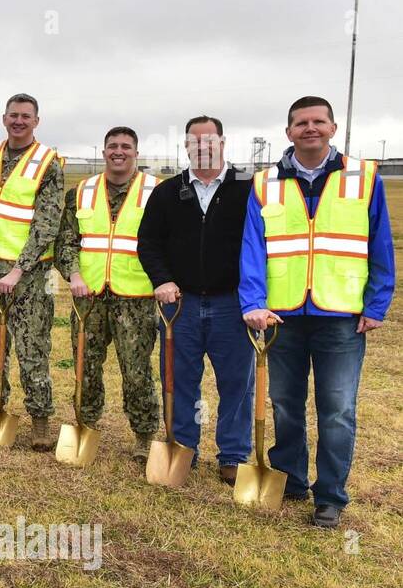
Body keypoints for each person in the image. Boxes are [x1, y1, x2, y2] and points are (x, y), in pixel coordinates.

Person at [240, 96, 395, 527]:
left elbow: (379, 244)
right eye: (300, 123)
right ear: (288, 132)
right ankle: (290, 478)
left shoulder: (363, 178)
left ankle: (329, 496)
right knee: (286, 403)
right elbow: (253, 249)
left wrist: (377, 303)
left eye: (318, 122)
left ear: (332, 128)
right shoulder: (265, 183)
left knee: (337, 408)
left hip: (341, 315)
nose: (310, 128)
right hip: (282, 316)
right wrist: (253, 302)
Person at [137, 115, 253, 483]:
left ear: (222, 142)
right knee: (177, 380)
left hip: (231, 304)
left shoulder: (248, 188)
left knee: (236, 383)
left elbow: (261, 244)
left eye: (209, 140)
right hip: (180, 306)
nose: (202, 147)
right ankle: (182, 447)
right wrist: (162, 279)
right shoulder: (168, 191)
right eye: (195, 141)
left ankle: (233, 455)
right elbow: (149, 243)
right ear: (186, 146)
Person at [0, 93, 64, 449]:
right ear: (4, 118)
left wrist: (18, 270)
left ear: (36, 121)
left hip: (30, 276)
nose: (18, 121)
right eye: (13, 115)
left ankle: (39, 422)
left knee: (32, 348)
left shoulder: (47, 163)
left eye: (26, 116)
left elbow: (47, 222)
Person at [55, 126, 161, 457]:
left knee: (137, 371)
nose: (119, 151)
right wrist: (73, 274)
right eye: (112, 146)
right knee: (85, 366)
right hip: (88, 298)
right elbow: (66, 241)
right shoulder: (82, 191)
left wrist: (164, 280)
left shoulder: (155, 192)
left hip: (136, 297)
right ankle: (85, 425)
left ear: (136, 153)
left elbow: (168, 243)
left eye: (126, 147)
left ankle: (144, 436)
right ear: (104, 152)